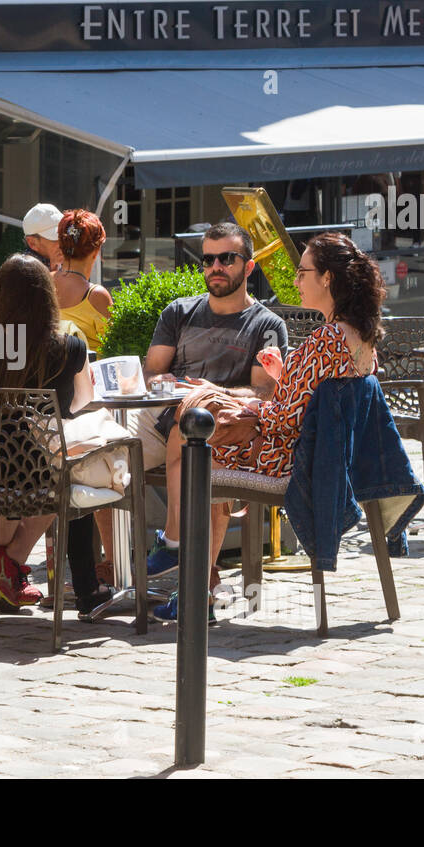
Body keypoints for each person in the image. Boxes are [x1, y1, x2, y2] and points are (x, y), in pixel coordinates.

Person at [154, 232, 384, 622]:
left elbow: (282, 420)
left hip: (289, 461)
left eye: (302, 272)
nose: (295, 281)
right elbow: (311, 401)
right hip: (330, 458)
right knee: (208, 436)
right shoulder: (358, 337)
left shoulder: (325, 339)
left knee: (197, 454)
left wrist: (238, 405)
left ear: (326, 279)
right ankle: (200, 587)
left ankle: (194, 588)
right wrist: (283, 376)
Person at [102, 222, 288, 585]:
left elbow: (265, 393)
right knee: (102, 448)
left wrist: (212, 391)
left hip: (226, 424)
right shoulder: (179, 312)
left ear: (249, 267)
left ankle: (196, 571)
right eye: (208, 259)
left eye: (226, 259)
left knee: (197, 429)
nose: (215, 267)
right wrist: (163, 382)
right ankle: (116, 570)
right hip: (163, 418)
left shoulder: (266, 325)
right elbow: (152, 372)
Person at [0, 254, 113, 613]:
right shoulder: (70, 346)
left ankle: (1, 568)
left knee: (63, 469)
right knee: (74, 470)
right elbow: (85, 400)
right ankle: (80, 586)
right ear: (47, 295)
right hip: (43, 467)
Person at [53, 209, 113, 353]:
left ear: (61, 245)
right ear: (96, 251)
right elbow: (116, 349)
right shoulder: (97, 296)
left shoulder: (42, 282)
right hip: (88, 373)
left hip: (47, 372)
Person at [22, 202, 64, 271]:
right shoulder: (23, 272)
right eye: (54, 239)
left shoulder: (69, 267)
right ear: (32, 243)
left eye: (64, 237)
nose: (63, 244)